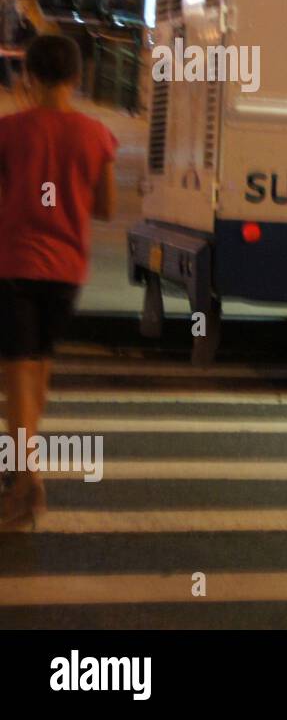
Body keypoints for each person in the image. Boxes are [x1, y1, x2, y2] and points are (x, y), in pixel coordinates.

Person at [0, 34, 117, 531]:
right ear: (76, 77)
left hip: (16, 267)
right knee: (39, 372)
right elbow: (107, 208)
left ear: (30, 75)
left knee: (17, 378)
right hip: (67, 273)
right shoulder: (96, 135)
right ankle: (24, 475)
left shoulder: (8, 131)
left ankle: (24, 479)